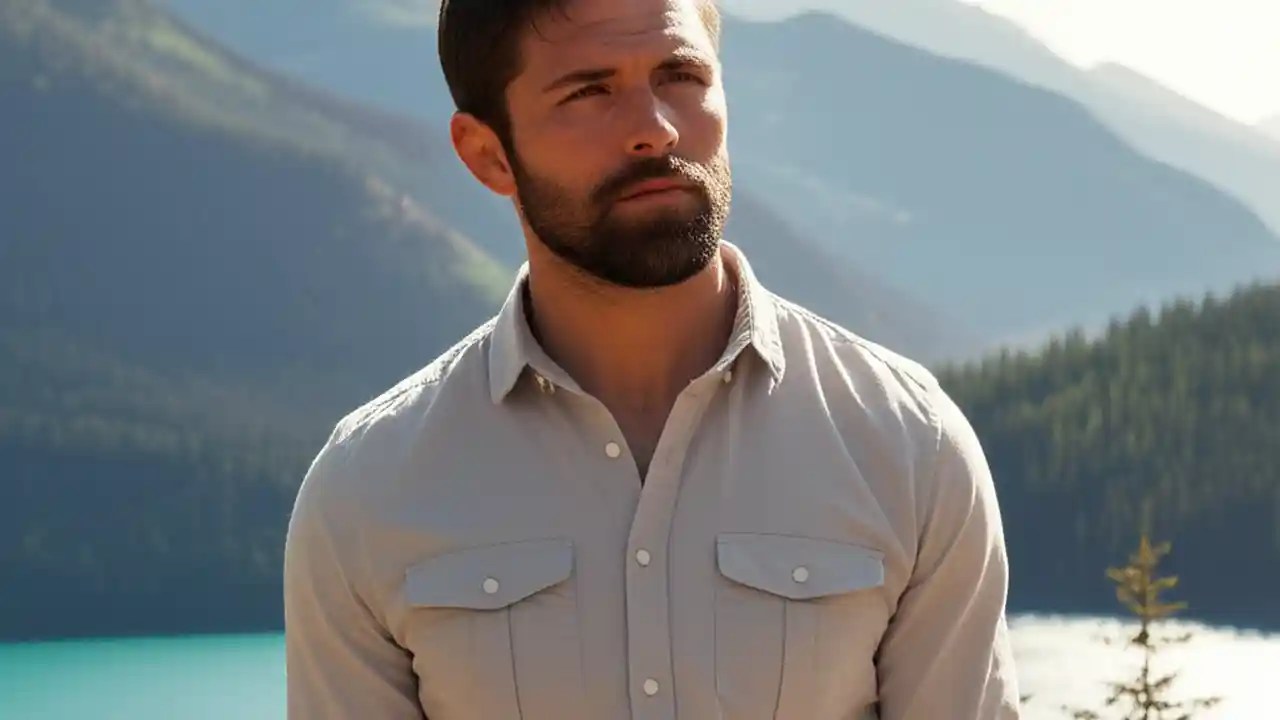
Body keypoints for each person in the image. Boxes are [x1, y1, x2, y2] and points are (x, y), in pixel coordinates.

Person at [283, 0, 1022, 717]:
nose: (654, 129)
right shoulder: (366, 491)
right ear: (488, 155)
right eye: (589, 92)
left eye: (680, 77)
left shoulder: (907, 446)